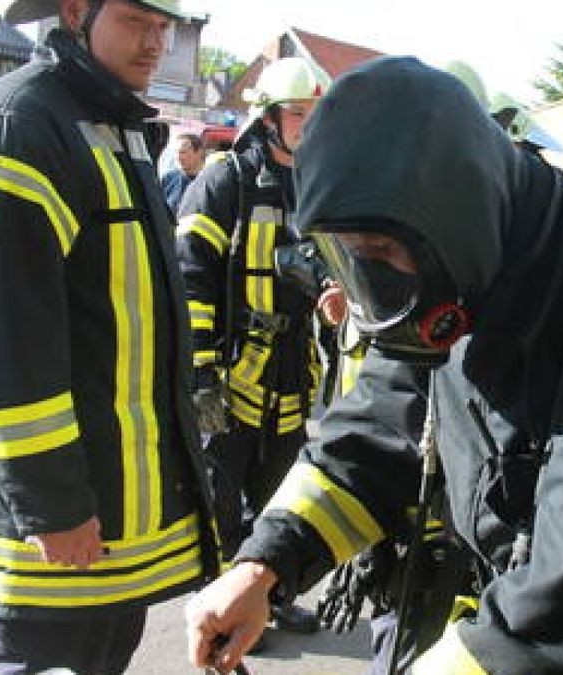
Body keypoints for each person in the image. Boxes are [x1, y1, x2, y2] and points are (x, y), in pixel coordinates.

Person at [186, 56, 563, 674]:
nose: (375, 284)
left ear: (452, 218)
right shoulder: (465, 272)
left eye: (381, 252)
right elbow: (374, 434)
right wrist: (262, 567)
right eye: (352, 258)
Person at [0, 1, 220, 673]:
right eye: (133, 20)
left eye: (163, 27)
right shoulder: (17, 126)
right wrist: (50, 501)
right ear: (75, 10)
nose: (154, 43)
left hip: (114, 515)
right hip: (65, 520)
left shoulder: (109, 124)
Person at [175, 55, 337, 634]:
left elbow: (336, 266)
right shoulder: (227, 180)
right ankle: (221, 609)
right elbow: (190, 278)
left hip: (294, 367)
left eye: (315, 116)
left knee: (281, 487)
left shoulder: (317, 183)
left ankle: (268, 594)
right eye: (298, 114)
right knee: (221, 497)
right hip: (231, 367)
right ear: (268, 117)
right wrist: (199, 373)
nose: (308, 127)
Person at [161, 131, 204, 211]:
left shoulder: (207, 181)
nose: (178, 157)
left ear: (199, 152)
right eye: (176, 152)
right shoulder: (168, 179)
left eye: (183, 152)